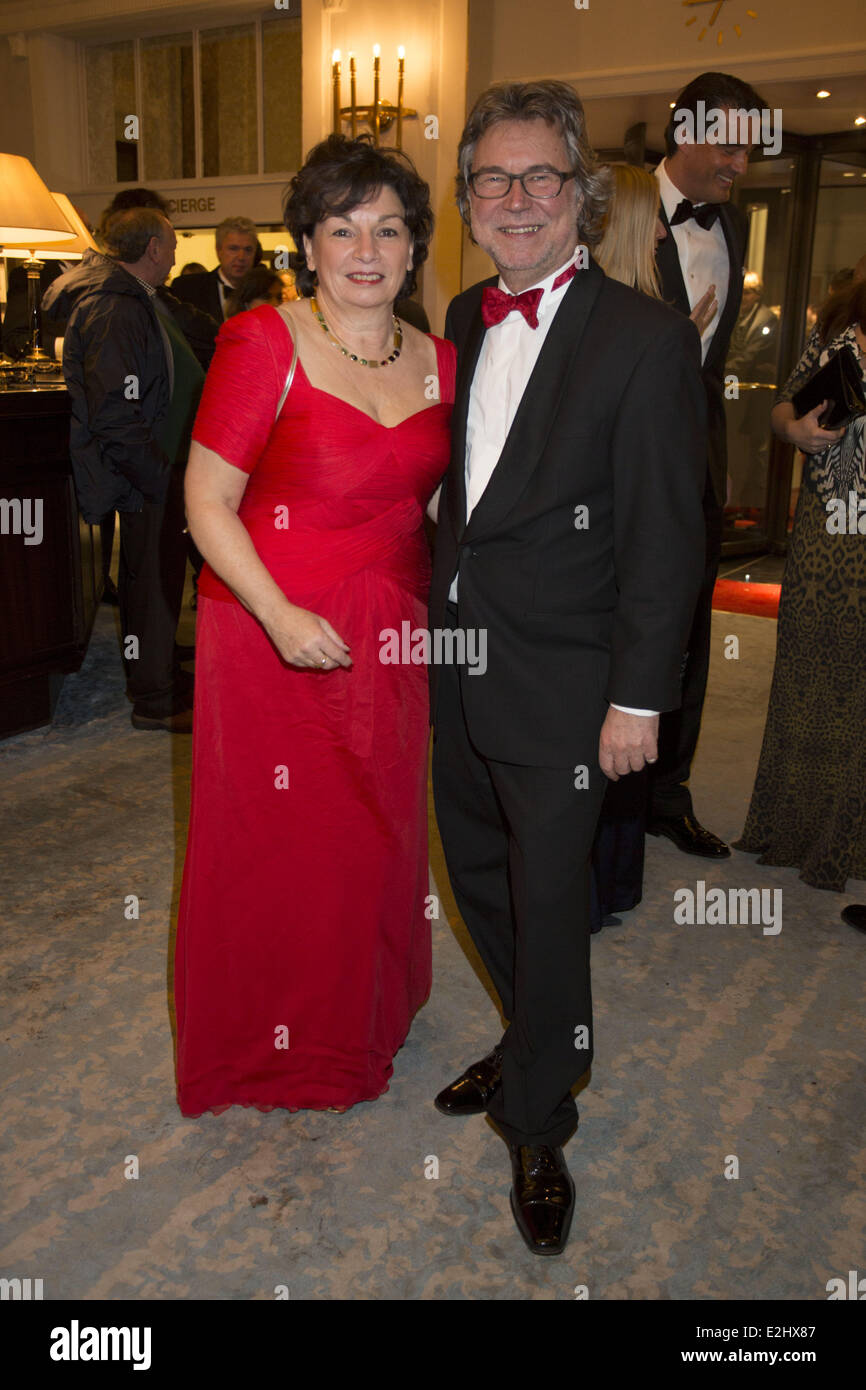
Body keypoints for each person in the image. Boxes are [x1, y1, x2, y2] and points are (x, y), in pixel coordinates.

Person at [429, 81, 706, 1256]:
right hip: (453, 654)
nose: (517, 199)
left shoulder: (644, 339)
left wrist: (638, 694)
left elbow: (666, 534)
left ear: (581, 195)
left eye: (540, 176)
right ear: (470, 202)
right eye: (493, 179)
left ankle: (540, 1120)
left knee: (549, 898)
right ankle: (525, 1032)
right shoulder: (455, 314)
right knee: (479, 876)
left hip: (567, 676)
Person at [174, 135, 455, 1117]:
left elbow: (429, 507)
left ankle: (367, 1008)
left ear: (415, 249)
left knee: (375, 834)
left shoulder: (441, 359)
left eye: (387, 228)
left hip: (394, 628)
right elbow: (205, 501)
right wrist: (281, 615)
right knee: (288, 843)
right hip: (271, 632)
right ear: (308, 242)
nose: (365, 249)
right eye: (342, 228)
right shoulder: (264, 340)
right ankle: (277, 1043)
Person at [591, 163, 715, 932]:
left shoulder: (649, 328)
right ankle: (614, 879)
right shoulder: (652, 323)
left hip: (623, 555)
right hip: (617, 559)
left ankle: (607, 882)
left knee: (617, 718)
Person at [648, 70, 763, 861]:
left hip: (698, 460)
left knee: (691, 627)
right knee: (627, 626)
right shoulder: (612, 208)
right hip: (621, 462)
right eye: (728, 144)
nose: (741, 166)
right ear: (683, 127)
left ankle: (669, 794)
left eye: (750, 151)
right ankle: (607, 790)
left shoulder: (738, 225)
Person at [50, 207, 205, 731]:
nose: (177, 255)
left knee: (159, 576)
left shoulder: (137, 297)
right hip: (147, 473)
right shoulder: (114, 306)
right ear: (154, 250)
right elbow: (114, 410)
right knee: (149, 585)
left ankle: (161, 666)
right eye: (172, 245)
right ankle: (154, 697)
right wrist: (159, 476)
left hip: (161, 466)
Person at [735, 275, 866, 891]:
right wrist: (796, 431)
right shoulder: (837, 325)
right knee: (809, 674)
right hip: (824, 529)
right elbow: (782, 404)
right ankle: (796, 826)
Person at [170, 216, 258, 321]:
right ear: (218, 250)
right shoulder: (188, 288)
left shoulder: (266, 292)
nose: (241, 257)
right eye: (233, 249)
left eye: (248, 250)